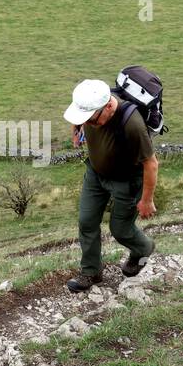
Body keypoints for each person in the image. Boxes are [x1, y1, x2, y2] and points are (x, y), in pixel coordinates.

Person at [62, 79, 159, 292]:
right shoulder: (92, 108)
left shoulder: (132, 124)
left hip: (126, 181)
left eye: (92, 120)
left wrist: (146, 200)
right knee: (86, 222)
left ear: (108, 106)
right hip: (95, 174)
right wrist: (76, 128)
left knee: (121, 230)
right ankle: (91, 272)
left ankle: (143, 248)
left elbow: (151, 164)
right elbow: (80, 115)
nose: (90, 124)